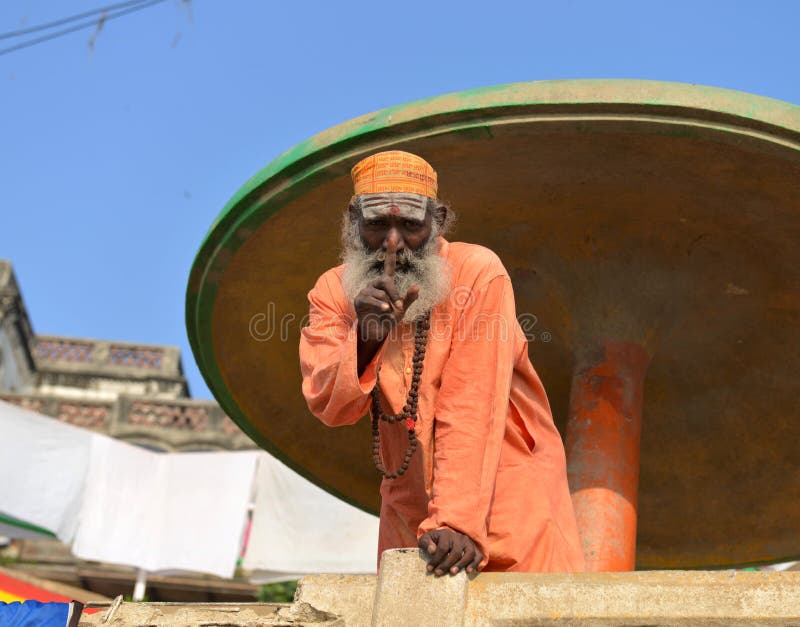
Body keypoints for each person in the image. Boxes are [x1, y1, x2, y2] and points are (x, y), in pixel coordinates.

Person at [299, 150, 585, 576]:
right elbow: (330, 404)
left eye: (410, 226)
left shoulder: (477, 272)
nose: (392, 243)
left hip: (507, 504)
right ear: (353, 220)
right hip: (410, 512)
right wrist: (368, 334)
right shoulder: (333, 291)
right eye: (377, 224)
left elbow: (472, 399)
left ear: (438, 221)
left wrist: (456, 522)